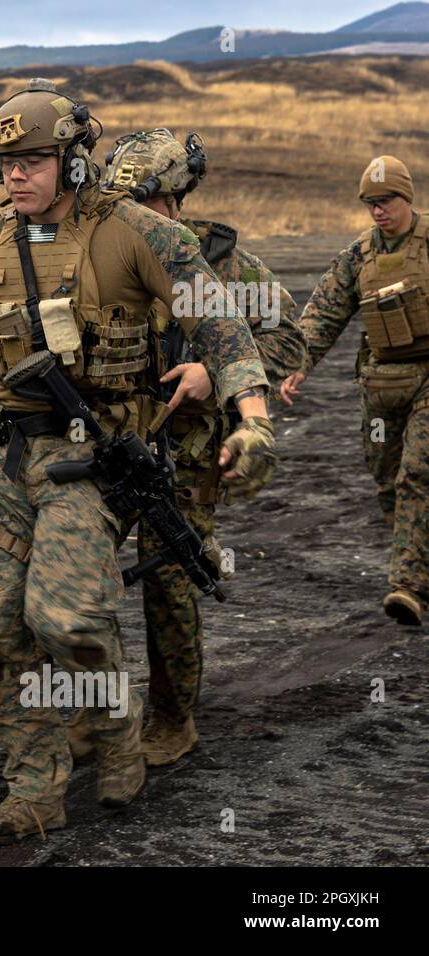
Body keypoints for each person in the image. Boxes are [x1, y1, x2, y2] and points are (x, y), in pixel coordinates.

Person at [0, 81, 277, 845]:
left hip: (98, 458)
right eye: (5, 162)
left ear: (73, 160)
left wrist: (251, 418)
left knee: (67, 615)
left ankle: (117, 721)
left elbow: (221, 329)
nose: (16, 175)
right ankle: (33, 793)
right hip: (7, 461)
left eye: (33, 160)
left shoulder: (137, 233)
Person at [67, 128, 306, 766]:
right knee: (78, 579)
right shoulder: (104, 252)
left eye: (148, 202)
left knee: (169, 583)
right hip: (112, 444)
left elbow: (289, 340)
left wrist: (209, 368)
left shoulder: (226, 266)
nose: (136, 215)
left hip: (185, 456)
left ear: (176, 200)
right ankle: (97, 711)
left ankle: (172, 717)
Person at [280, 156, 429, 625]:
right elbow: (323, 313)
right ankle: (419, 555)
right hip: (383, 386)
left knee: (417, 474)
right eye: (370, 203)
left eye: (385, 201)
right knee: (386, 477)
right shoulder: (358, 256)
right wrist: (295, 366)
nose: (378, 211)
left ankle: (407, 585)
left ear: (407, 198)